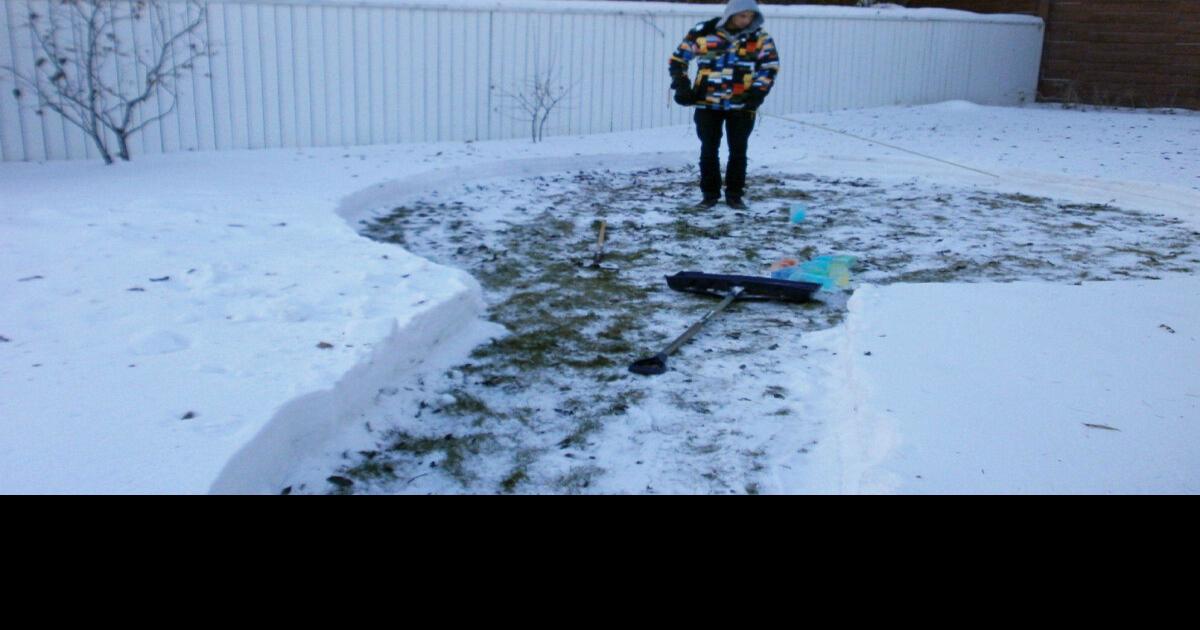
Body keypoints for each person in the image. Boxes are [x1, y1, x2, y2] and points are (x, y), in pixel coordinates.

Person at [669, 0, 779, 210]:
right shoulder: (704, 32)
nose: (746, 20)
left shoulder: (759, 38)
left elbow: (770, 66)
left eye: (750, 17)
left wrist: (757, 93)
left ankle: (735, 195)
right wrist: (682, 86)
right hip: (707, 104)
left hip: (742, 106)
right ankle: (709, 194)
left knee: (738, 150)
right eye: (742, 16)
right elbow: (678, 60)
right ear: (730, 14)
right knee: (709, 149)